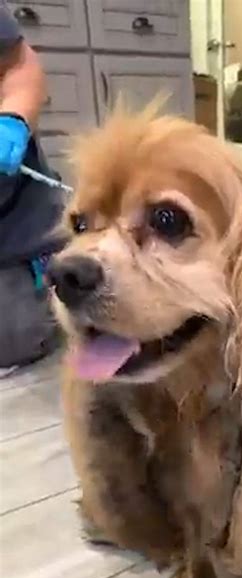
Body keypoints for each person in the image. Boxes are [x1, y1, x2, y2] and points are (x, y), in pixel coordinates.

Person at [0, 1, 65, 372]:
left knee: (14, 336)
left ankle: (45, 264)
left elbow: (20, 65)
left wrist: (12, 118)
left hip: (14, 228)